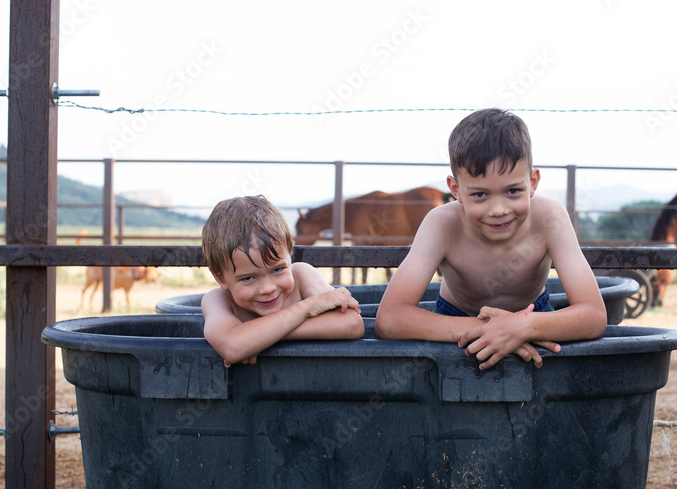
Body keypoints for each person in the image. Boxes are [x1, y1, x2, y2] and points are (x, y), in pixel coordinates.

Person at [375, 108, 607, 370]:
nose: (498, 209)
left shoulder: (550, 218)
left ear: (533, 182)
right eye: (480, 195)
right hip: (456, 319)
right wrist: (499, 330)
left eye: (513, 190)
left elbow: (594, 314)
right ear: (456, 190)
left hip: (534, 317)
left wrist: (523, 326)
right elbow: (390, 318)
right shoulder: (441, 224)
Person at [200, 195, 364, 367]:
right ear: (219, 277)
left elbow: (352, 323)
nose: (268, 288)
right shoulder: (217, 299)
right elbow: (232, 347)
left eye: (278, 269)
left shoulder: (302, 275)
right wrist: (305, 308)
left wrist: (257, 338)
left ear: (289, 255)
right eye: (248, 278)